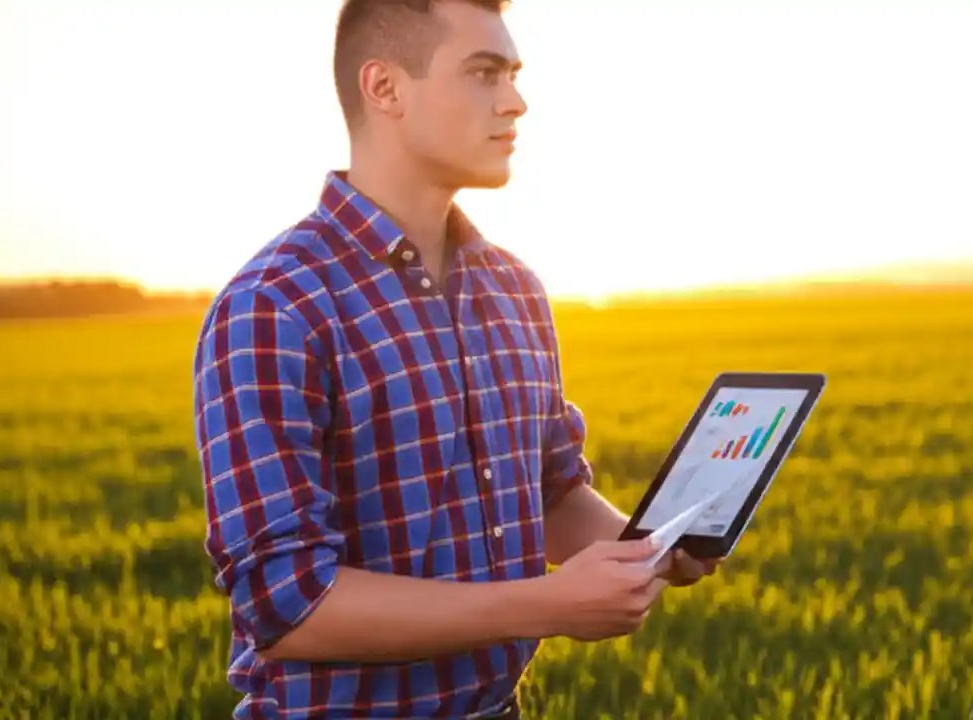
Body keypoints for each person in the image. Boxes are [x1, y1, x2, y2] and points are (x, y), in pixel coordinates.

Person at [191, 1, 719, 717]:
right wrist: (543, 604)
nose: (515, 100)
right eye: (483, 73)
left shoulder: (514, 288)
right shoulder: (274, 308)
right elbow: (289, 607)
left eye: (512, 74)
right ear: (385, 89)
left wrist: (651, 547)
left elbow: (550, 491)